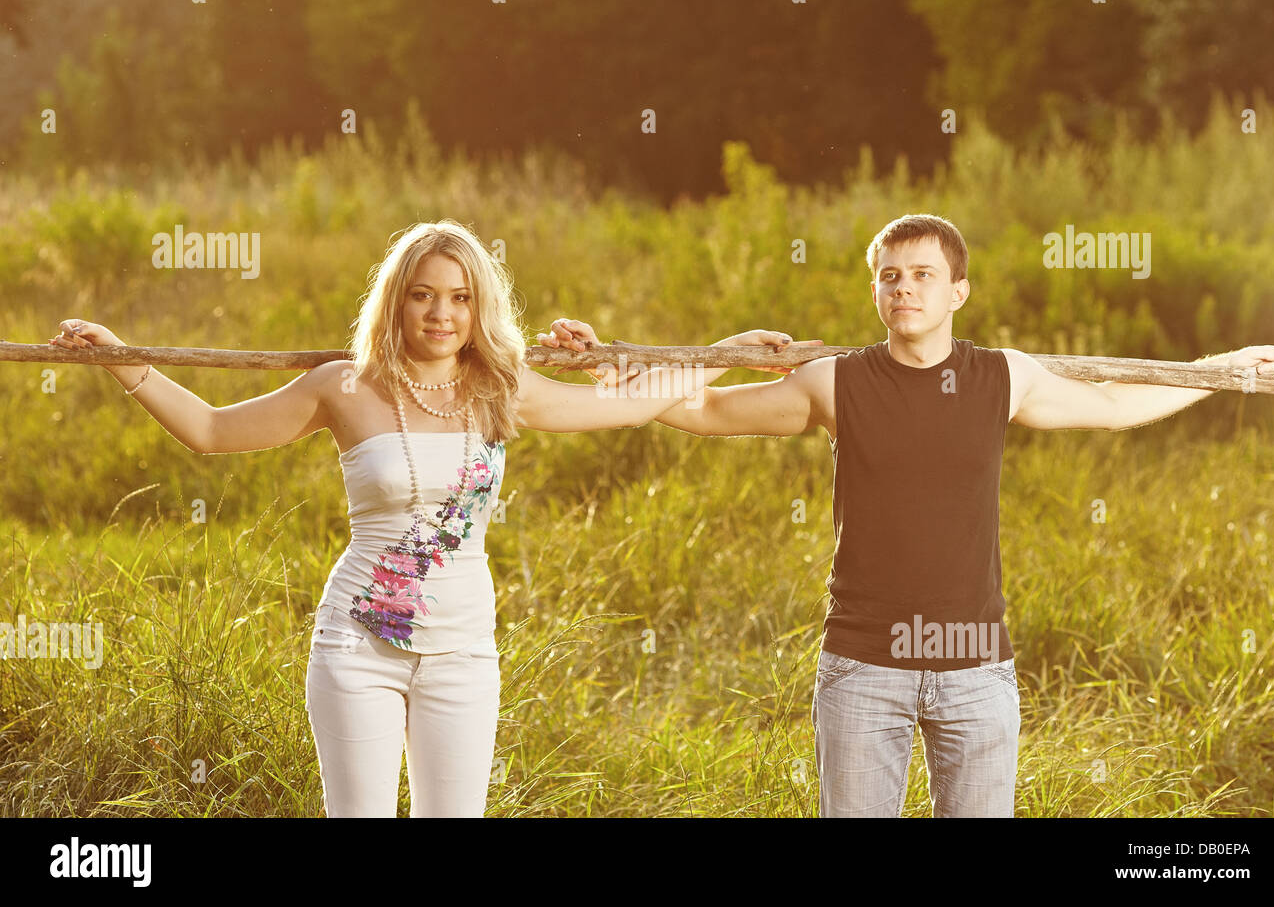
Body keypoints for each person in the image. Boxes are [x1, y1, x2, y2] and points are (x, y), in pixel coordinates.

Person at [540, 212, 1274, 818]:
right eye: (889, 276)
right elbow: (699, 410)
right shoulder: (833, 381)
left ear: (957, 292)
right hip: (864, 669)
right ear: (876, 291)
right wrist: (627, 360)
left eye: (923, 275)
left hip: (976, 669)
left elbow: (1113, 407)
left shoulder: (1004, 376)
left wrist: (1223, 373)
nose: (904, 288)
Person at [47, 218, 800, 817]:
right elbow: (211, 431)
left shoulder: (505, 390)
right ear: (397, 299)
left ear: (480, 308)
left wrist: (720, 352)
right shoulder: (342, 386)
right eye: (423, 295)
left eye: (461, 297)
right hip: (356, 647)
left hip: (464, 654)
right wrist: (123, 359)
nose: (442, 313)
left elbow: (635, 403)